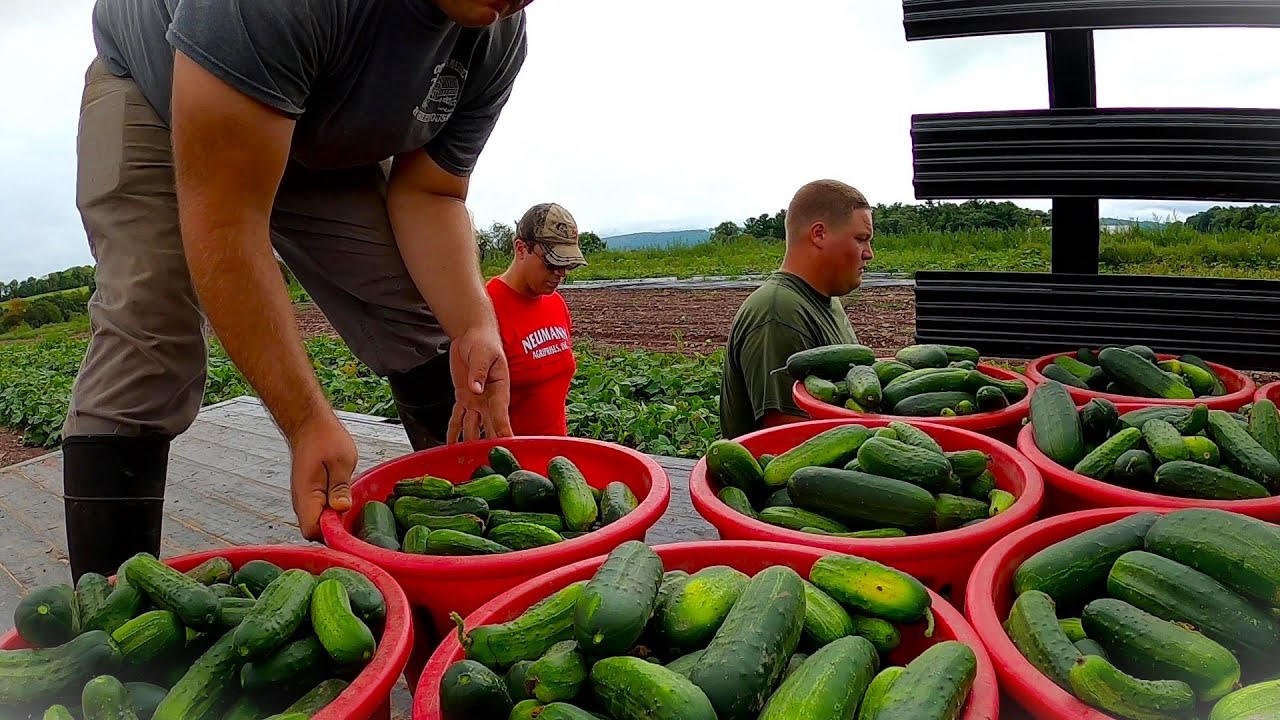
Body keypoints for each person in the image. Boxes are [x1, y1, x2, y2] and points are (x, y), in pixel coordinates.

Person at [63, 0, 534, 580]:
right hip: (160, 93)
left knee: (423, 316)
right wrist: (306, 421)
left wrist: (473, 325)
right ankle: (110, 611)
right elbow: (227, 222)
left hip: (320, 128)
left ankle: (476, 553)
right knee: (149, 329)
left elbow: (431, 192)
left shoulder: (496, 33)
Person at [719, 179, 875, 439]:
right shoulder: (778, 311)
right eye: (861, 239)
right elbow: (787, 437)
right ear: (819, 234)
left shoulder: (826, 301)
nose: (869, 253)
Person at [485, 203, 584, 436]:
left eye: (567, 264)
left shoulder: (556, 303)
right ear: (521, 249)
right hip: (510, 454)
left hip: (556, 449)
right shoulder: (485, 311)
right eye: (552, 263)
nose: (560, 273)